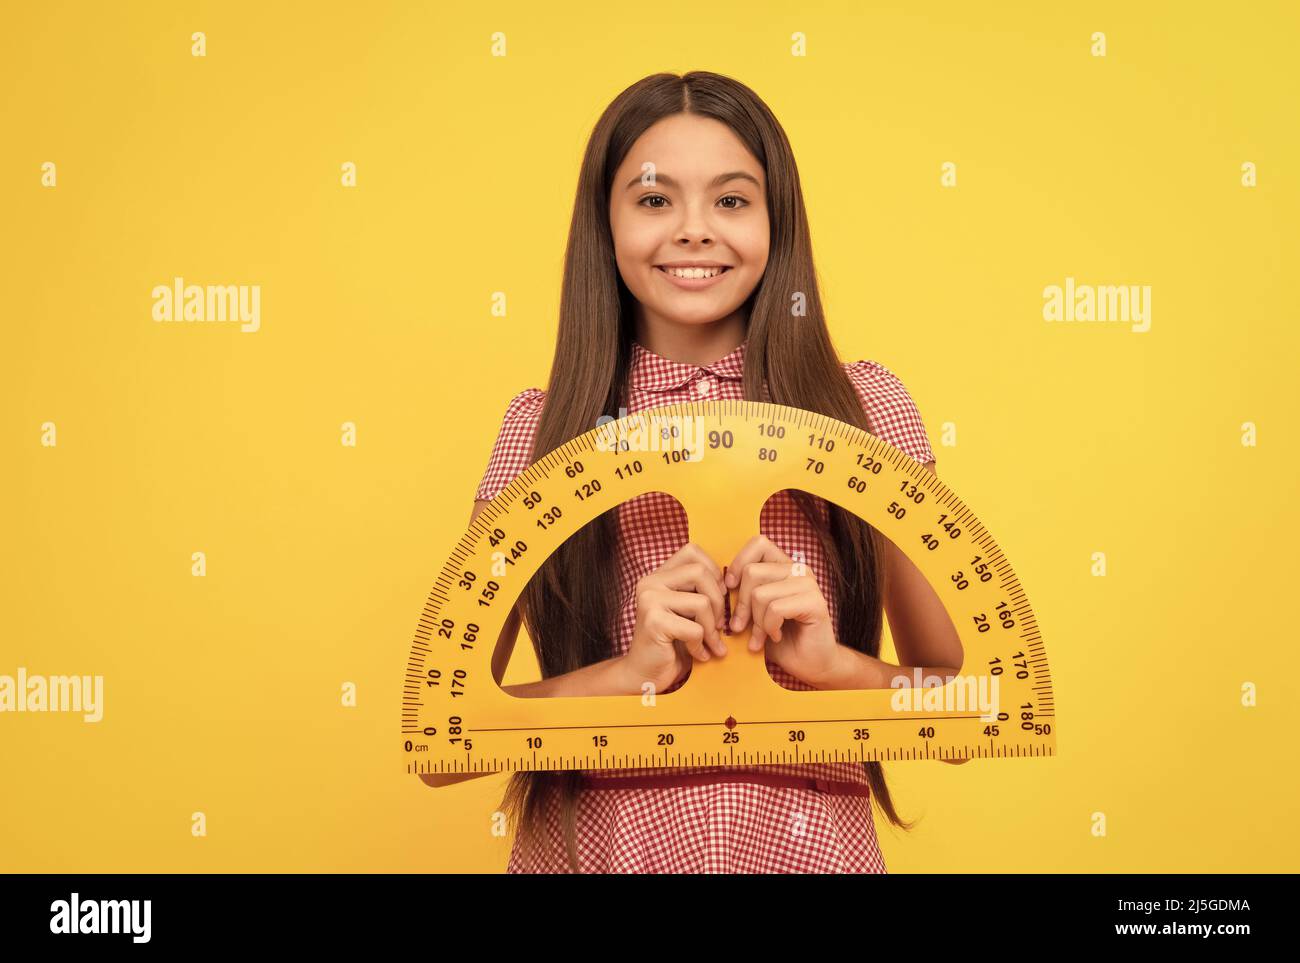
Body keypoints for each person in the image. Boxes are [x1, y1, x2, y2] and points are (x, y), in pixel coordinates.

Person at [425, 70, 967, 873]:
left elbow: (968, 714)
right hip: (597, 848)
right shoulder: (540, 432)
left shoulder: (868, 413)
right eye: (652, 200)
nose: (693, 231)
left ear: (777, 223)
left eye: (732, 200)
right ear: (603, 226)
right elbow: (445, 742)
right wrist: (629, 675)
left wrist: (831, 667)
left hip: (811, 850)